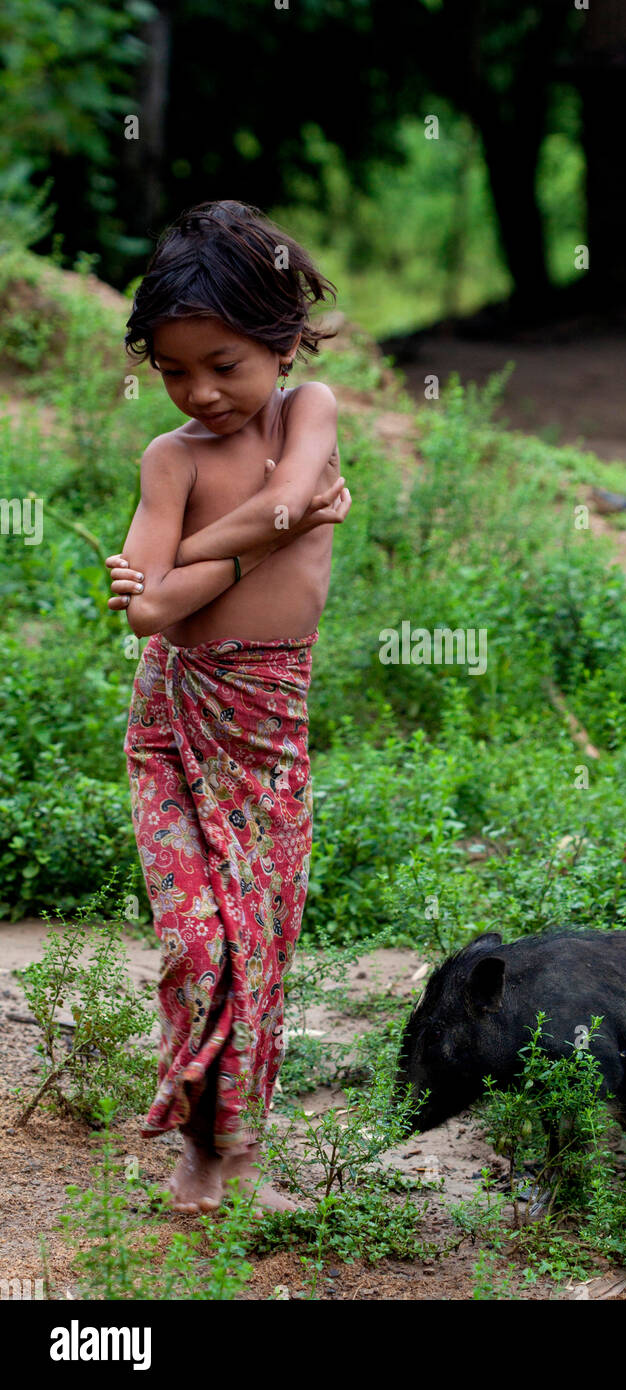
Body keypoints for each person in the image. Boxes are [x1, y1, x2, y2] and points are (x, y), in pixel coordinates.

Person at [105, 200, 351, 1213]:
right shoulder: (170, 461)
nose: (199, 391)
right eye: (173, 370)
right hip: (172, 721)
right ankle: (195, 1142)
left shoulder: (310, 411)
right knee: (196, 943)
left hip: (264, 729)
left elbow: (293, 498)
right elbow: (145, 615)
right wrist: (251, 545)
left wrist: (219, 547)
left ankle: (235, 1145)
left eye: (223, 364)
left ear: (284, 343)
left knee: (258, 941)